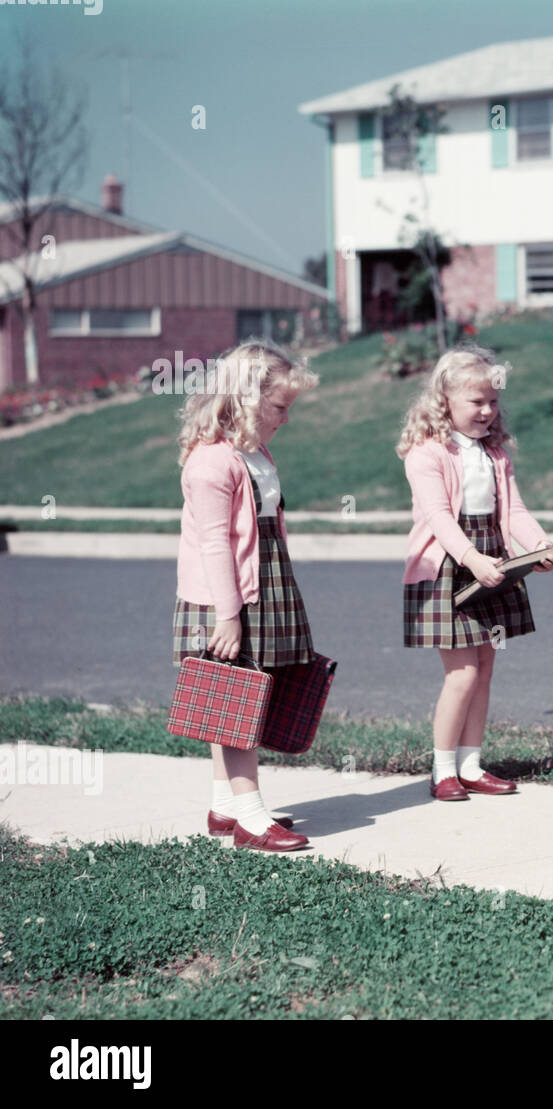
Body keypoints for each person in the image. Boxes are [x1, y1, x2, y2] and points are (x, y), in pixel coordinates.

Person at [173, 339, 319, 852]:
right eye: (279, 407)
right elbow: (215, 542)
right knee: (237, 701)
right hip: (226, 597)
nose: (285, 418)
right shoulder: (212, 463)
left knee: (235, 698)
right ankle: (251, 819)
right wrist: (228, 616)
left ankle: (225, 803)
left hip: (263, 584)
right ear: (246, 398)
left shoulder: (254, 454)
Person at [397, 343, 553, 801]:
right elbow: (440, 518)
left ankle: (471, 764)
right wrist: (472, 559)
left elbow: (514, 509)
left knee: (484, 668)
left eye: (493, 402)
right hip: (450, 565)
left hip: (491, 557)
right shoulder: (426, 454)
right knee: (462, 673)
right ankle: (442, 768)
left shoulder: (495, 452)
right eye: (476, 402)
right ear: (444, 400)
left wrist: (539, 544)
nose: (487, 411)